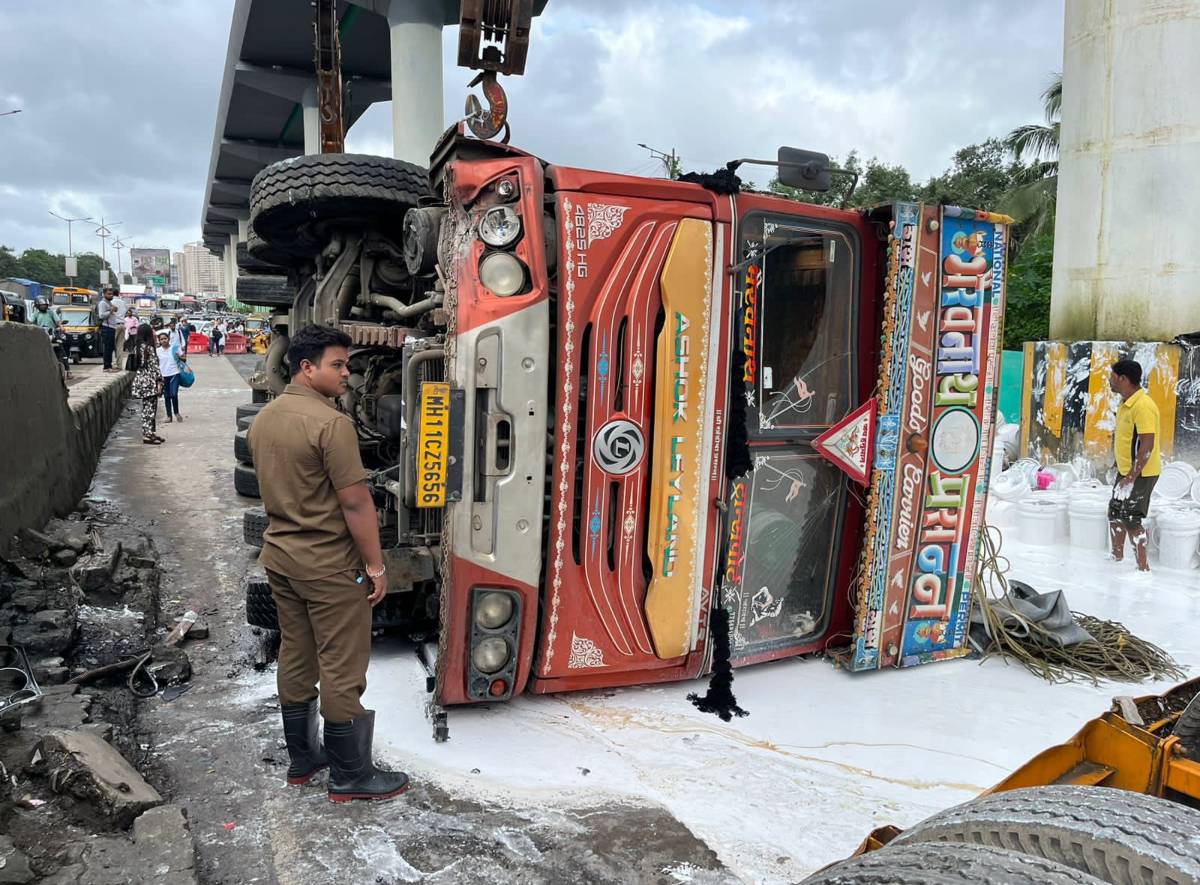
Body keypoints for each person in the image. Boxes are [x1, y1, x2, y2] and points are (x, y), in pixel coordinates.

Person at [247, 324, 409, 803]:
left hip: (280, 557)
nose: (347, 373)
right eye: (337, 365)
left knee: (296, 653)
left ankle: (304, 760)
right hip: (328, 566)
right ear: (306, 367)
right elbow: (356, 504)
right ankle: (351, 775)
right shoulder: (330, 425)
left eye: (347, 364)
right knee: (342, 665)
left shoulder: (265, 419)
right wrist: (377, 568)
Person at [1108, 359, 1161, 572]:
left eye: (1112, 376)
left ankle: (1143, 568)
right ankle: (1116, 557)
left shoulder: (1143, 405)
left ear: (1123, 378)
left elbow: (1147, 443)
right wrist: (1121, 469)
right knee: (1114, 512)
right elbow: (1126, 439)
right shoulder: (1125, 403)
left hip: (1141, 474)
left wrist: (1132, 476)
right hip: (1126, 472)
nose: (1110, 381)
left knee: (1131, 517)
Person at [128, 324, 164, 445]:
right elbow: (154, 366)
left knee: (146, 407)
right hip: (150, 380)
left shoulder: (136, 347)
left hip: (140, 379)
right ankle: (148, 434)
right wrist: (159, 381)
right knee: (150, 408)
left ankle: (149, 432)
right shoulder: (149, 348)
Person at [30, 297, 72, 379]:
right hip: (40, 334)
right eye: (41, 306)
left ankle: (68, 370)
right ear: (37, 306)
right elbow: (31, 322)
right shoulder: (36, 313)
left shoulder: (50, 312)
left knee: (61, 349)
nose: (44, 307)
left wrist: (61, 327)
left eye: (45, 305)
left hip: (52, 333)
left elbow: (57, 321)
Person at [156, 330, 185, 423]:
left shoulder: (175, 348)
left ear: (168, 339)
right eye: (161, 339)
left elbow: (184, 358)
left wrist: (179, 357)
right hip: (164, 376)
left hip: (174, 374)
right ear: (159, 341)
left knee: (174, 394)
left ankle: (176, 412)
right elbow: (156, 364)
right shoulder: (157, 351)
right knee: (167, 396)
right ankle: (169, 416)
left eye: (165, 338)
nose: (163, 340)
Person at [96, 288, 127, 372]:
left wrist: (113, 309)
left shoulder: (110, 302)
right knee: (109, 348)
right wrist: (111, 311)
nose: (110, 295)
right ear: (104, 294)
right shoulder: (103, 303)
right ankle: (108, 366)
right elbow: (101, 315)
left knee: (112, 347)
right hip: (109, 326)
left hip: (114, 326)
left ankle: (112, 365)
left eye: (111, 294)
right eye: (108, 294)